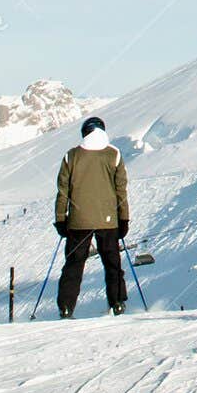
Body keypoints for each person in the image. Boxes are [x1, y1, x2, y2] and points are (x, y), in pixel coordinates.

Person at [54, 116, 130, 318]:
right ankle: (117, 303)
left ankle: (66, 307)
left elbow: (63, 192)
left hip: (78, 221)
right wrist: (124, 219)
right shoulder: (114, 154)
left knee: (74, 265)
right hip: (108, 220)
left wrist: (61, 219)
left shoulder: (71, 156)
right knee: (112, 264)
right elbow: (121, 190)